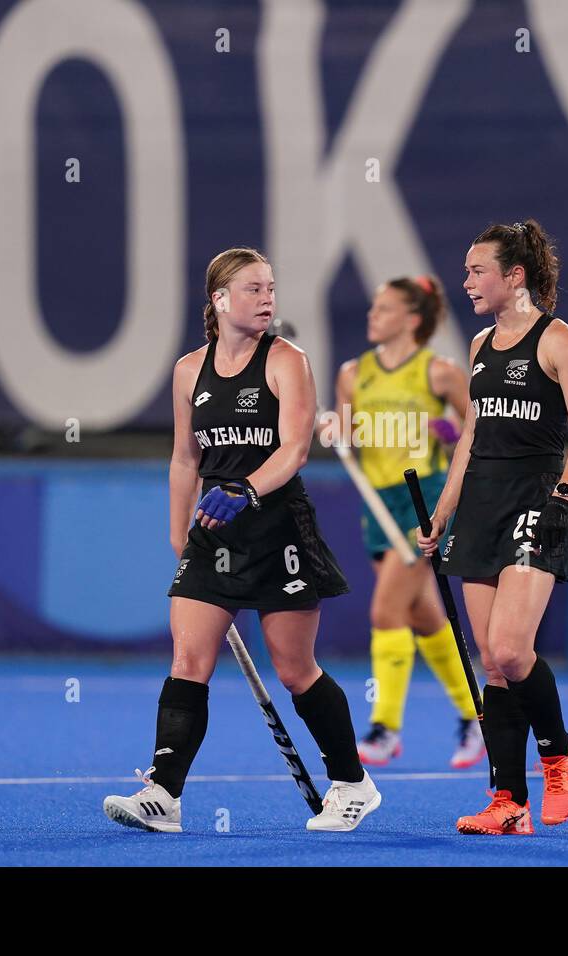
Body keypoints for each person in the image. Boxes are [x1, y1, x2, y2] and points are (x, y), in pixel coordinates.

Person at [104, 247, 380, 833]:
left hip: (277, 528)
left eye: (271, 289)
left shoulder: (287, 360)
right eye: (254, 289)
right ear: (219, 300)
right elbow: (185, 457)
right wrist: (177, 526)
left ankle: (354, 784)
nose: (267, 299)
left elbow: (295, 450)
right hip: (213, 530)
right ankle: (164, 794)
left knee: (294, 669)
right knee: (187, 659)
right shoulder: (189, 371)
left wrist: (246, 491)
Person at [417, 220, 568, 835]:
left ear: (513, 276)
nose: (466, 281)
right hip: (481, 510)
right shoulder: (477, 348)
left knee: (509, 649)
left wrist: (564, 498)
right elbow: (471, 437)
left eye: (477, 271)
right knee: (490, 666)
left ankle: (559, 755)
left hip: (536, 505)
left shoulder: (559, 341)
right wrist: (443, 513)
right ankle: (508, 802)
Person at [321, 276, 484, 769]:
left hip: (425, 499)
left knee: (386, 610)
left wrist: (452, 433)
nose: (373, 316)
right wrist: (332, 427)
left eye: (385, 309)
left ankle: (385, 728)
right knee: (422, 615)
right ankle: (478, 714)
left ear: (412, 319)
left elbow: (480, 430)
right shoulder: (353, 373)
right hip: (377, 502)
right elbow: (347, 433)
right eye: (373, 307)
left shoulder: (440, 373)